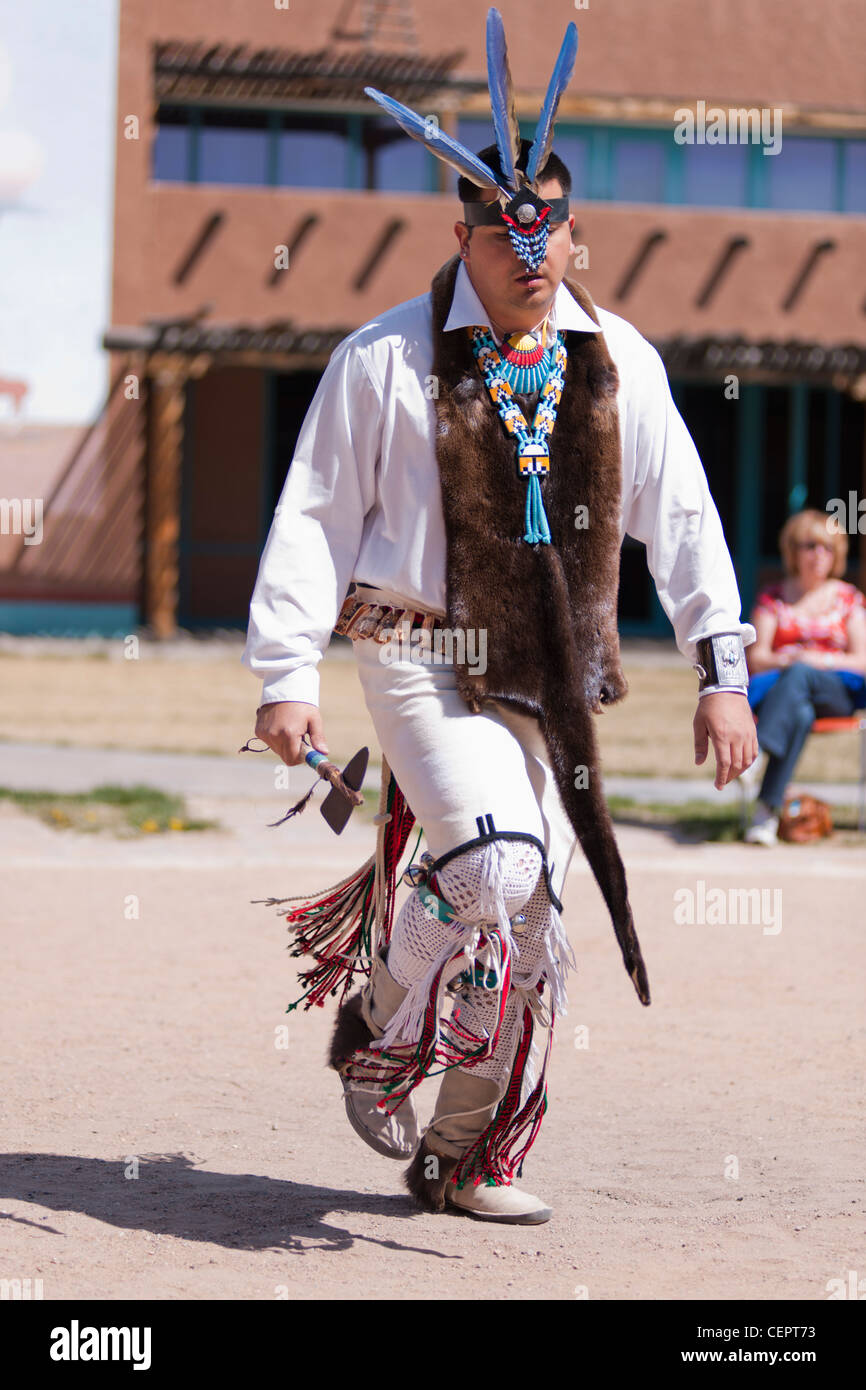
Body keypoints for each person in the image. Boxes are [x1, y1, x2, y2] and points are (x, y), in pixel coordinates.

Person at [242, 9, 758, 1225]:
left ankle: (466, 1156)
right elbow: (315, 512)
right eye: (499, 231)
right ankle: (376, 1030)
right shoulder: (382, 358)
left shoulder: (617, 362)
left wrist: (719, 666)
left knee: (531, 927)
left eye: (548, 232)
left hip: (551, 676)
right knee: (492, 861)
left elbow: (678, 517)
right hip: (417, 654)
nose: (528, 253)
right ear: (459, 232)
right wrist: (285, 671)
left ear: (577, 237)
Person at [743, 509, 866, 844]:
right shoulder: (773, 598)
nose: (818, 554)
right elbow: (757, 657)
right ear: (793, 550)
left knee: (802, 674)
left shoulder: (848, 599)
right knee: (799, 712)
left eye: (828, 546)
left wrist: (816, 660)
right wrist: (790, 659)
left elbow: (861, 661)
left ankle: (755, 752)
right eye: (810, 545)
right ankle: (764, 818)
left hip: (835, 693)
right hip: (785, 697)